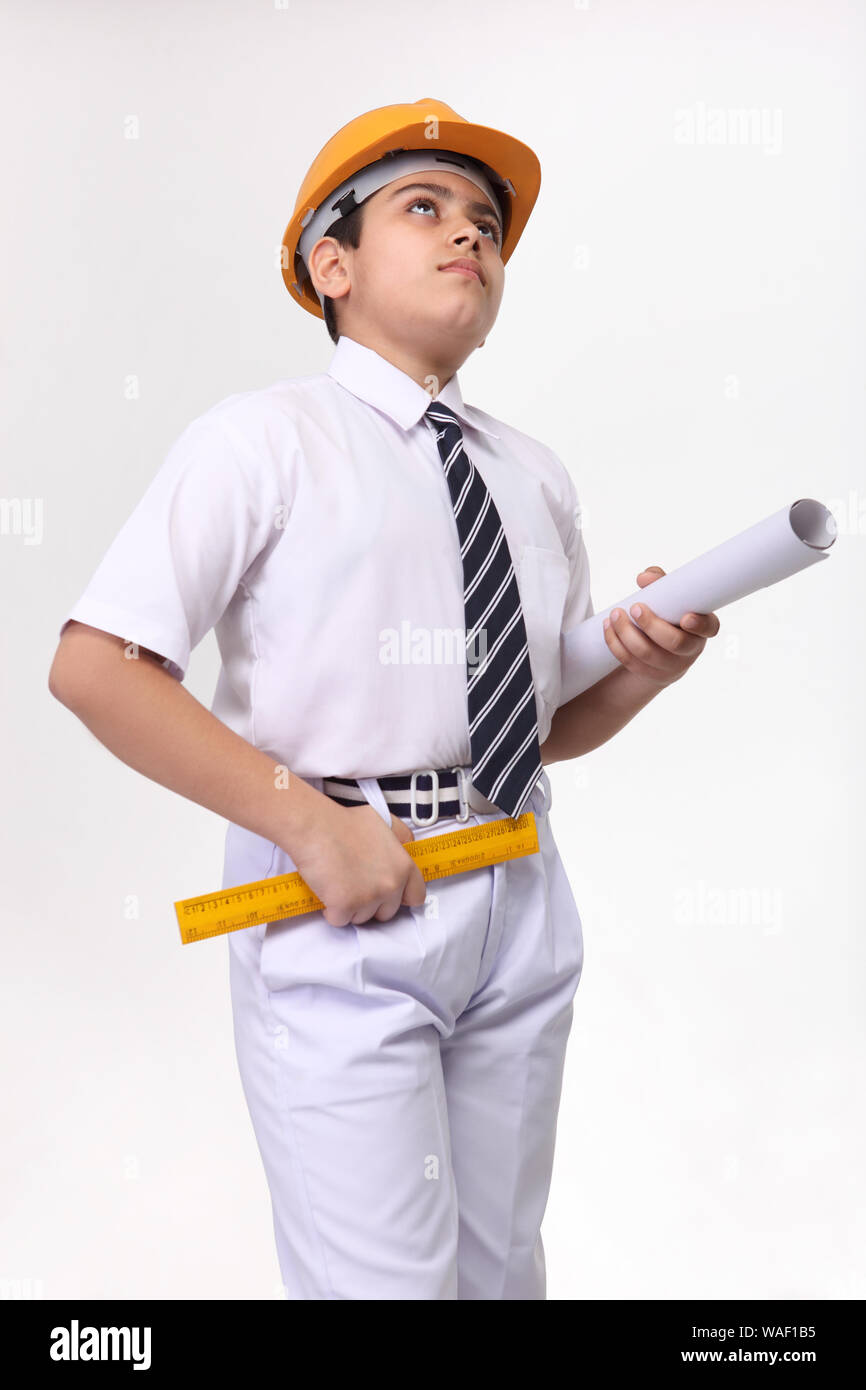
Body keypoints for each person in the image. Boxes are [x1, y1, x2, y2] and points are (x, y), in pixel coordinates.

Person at [48, 97, 719, 1300]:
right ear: (332, 263)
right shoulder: (262, 441)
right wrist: (309, 825)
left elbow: (534, 724)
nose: (469, 235)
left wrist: (639, 672)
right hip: (343, 901)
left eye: (486, 225)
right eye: (427, 207)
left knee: (501, 1274)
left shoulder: (529, 474)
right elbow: (97, 666)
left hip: (517, 887)